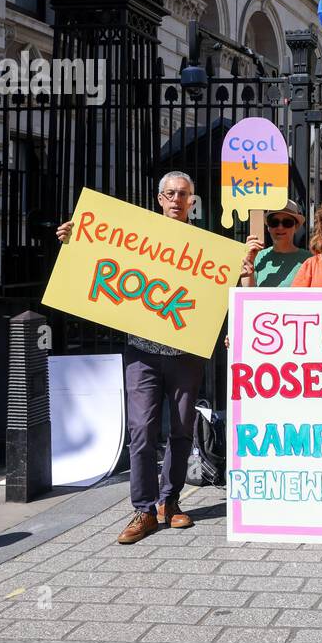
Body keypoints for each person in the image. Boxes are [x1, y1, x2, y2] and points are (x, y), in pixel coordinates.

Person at [56, 171, 205, 545]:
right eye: (169, 193)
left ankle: (169, 503)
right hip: (142, 352)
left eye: (182, 194)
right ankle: (143, 509)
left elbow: (218, 289)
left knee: (182, 428)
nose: (175, 199)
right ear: (159, 199)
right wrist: (73, 243)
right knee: (141, 430)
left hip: (186, 353)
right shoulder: (136, 238)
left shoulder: (206, 246)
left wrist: (243, 267)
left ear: (192, 201)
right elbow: (96, 260)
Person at [239, 200, 311, 288]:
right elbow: (247, 293)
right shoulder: (257, 257)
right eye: (274, 222)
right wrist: (249, 262)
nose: (280, 227)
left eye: (287, 223)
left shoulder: (309, 259)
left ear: (296, 227)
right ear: (268, 227)